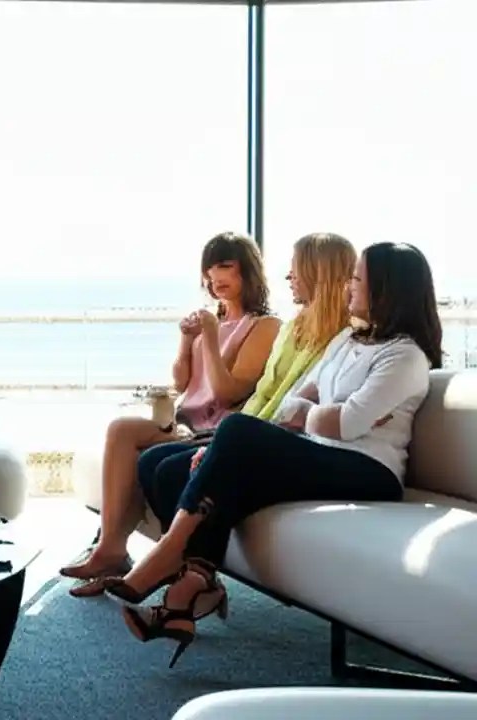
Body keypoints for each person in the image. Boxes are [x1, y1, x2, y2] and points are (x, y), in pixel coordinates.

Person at [115, 242, 441, 668]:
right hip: (323, 452)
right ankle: (190, 589)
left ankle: (171, 552)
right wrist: (326, 415)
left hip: (368, 470)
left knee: (233, 432)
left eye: (357, 278)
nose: (349, 286)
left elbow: (343, 425)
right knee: (185, 468)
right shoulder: (348, 338)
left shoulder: (405, 356)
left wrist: (328, 416)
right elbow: (299, 406)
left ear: (385, 288)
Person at [60, 232, 279, 592]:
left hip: (214, 430)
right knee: (121, 431)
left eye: (224, 266)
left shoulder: (264, 326)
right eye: (209, 270)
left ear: (248, 271)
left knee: (128, 440)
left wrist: (209, 336)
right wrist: (185, 339)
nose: (214, 278)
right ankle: (111, 548)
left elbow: (227, 392)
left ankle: (113, 553)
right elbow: (181, 383)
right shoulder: (213, 319)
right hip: (181, 422)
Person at [132, 234, 357, 554]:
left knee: (167, 470)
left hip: (274, 436)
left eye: (296, 269)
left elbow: (243, 397)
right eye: (209, 270)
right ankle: (179, 566)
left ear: (315, 273)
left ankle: (189, 571)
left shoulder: (332, 337)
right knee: (152, 461)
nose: (289, 277)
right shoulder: (294, 329)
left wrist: (226, 440)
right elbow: (257, 395)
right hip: (244, 427)